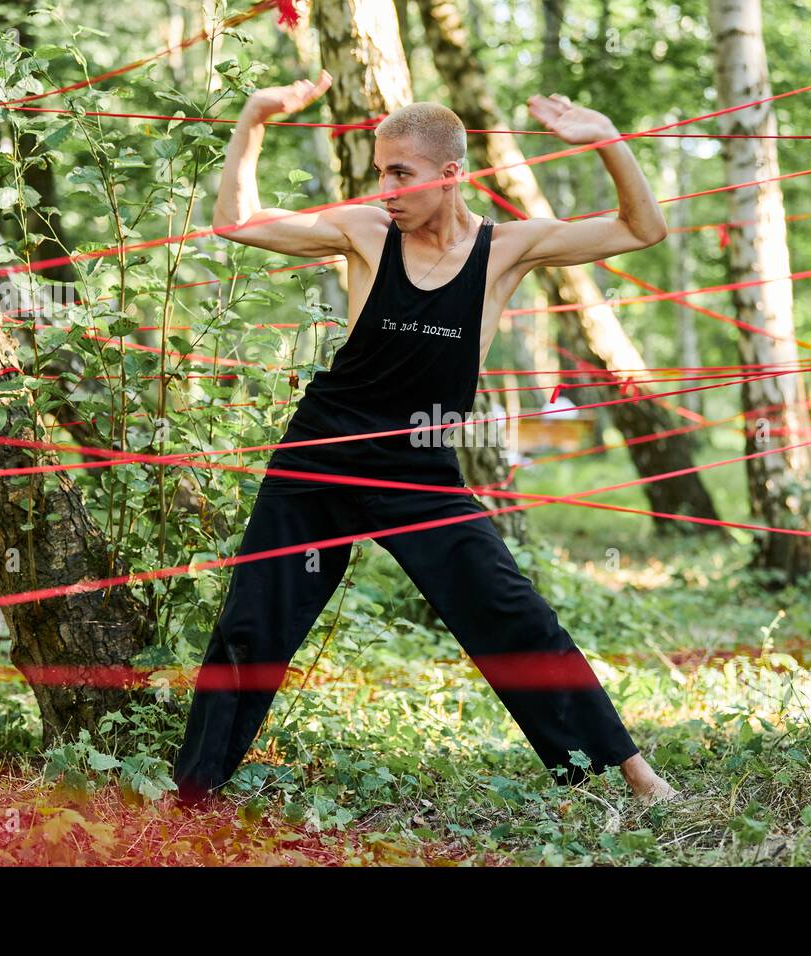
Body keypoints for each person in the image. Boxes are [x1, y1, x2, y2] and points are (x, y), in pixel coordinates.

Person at [174, 71, 681, 808]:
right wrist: (253, 116)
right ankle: (192, 796)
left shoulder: (504, 250)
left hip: (417, 469)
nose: (386, 188)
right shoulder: (364, 230)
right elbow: (238, 222)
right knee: (253, 623)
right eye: (380, 172)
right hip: (319, 459)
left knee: (513, 613)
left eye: (400, 174)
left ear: (450, 176)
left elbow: (644, 230)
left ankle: (634, 776)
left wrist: (606, 141)